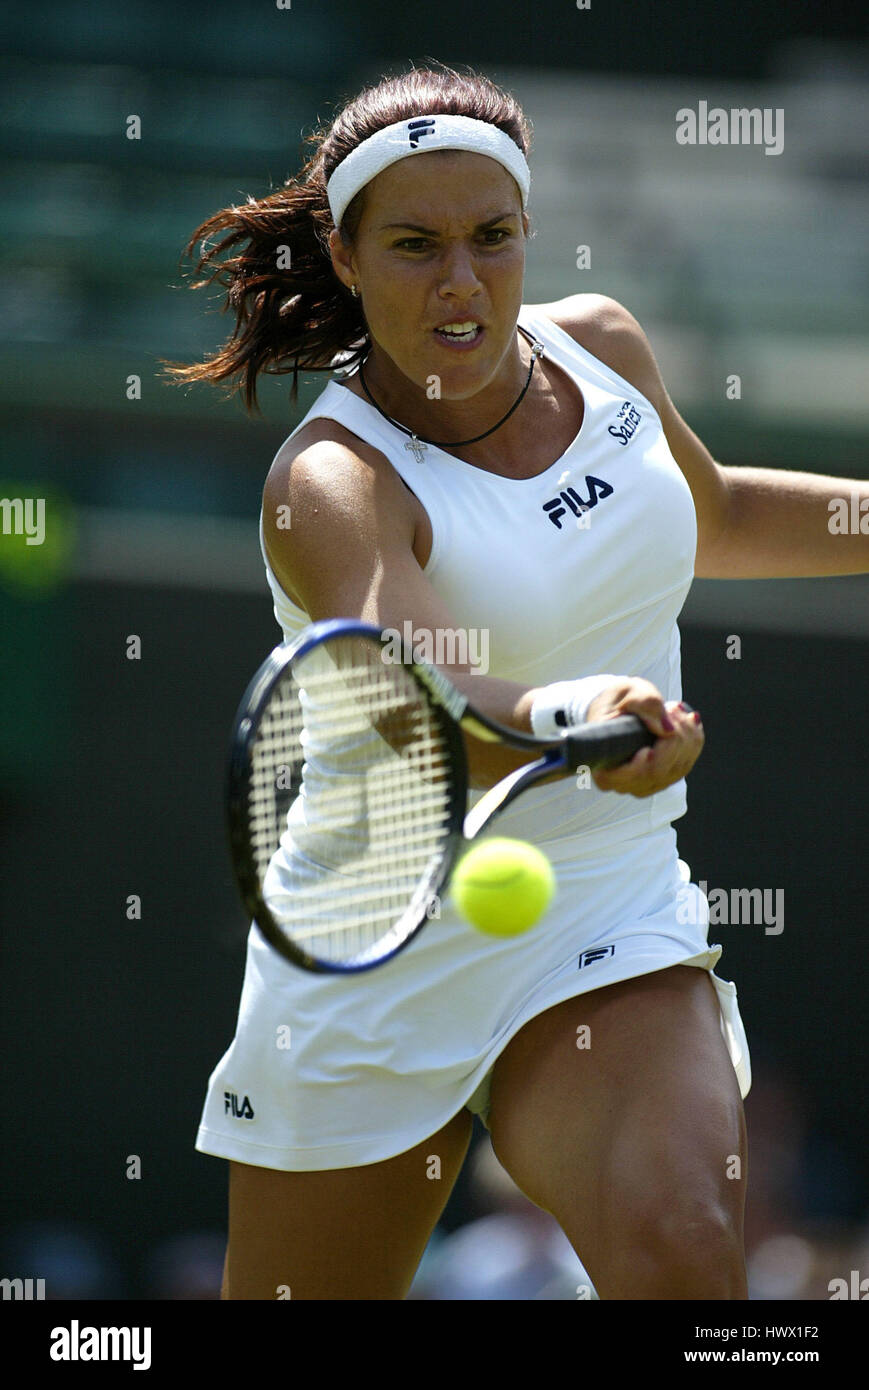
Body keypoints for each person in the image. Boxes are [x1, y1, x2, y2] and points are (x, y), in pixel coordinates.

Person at [163, 63, 868, 1300]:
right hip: (373, 951)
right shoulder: (330, 485)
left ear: (528, 229)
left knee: (683, 1258)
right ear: (343, 254)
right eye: (416, 245)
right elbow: (429, 692)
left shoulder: (599, 349)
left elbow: (714, 515)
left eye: (491, 238)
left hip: (605, 910)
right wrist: (570, 715)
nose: (460, 282)